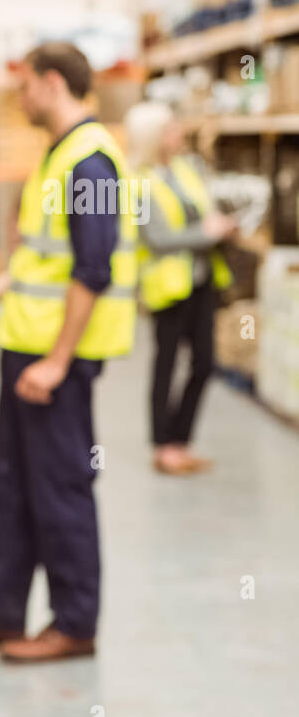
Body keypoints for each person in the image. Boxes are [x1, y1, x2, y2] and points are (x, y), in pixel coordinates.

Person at [0, 42, 137, 662]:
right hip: (25, 350)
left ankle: (75, 624)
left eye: (25, 86)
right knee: (14, 487)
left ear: (52, 83)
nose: (20, 98)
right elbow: (38, 270)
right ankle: (3, 614)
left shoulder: (91, 163)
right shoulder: (59, 157)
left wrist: (56, 361)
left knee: (60, 489)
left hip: (56, 364)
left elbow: (93, 269)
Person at [124, 101, 236, 475]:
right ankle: (163, 446)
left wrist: (221, 225)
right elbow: (157, 238)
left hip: (202, 279)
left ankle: (181, 441)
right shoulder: (138, 181)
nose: (179, 134)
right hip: (168, 286)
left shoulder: (187, 170)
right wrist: (205, 233)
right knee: (166, 365)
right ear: (153, 137)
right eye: (171, 128)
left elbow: (203, 210)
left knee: (204, 363)